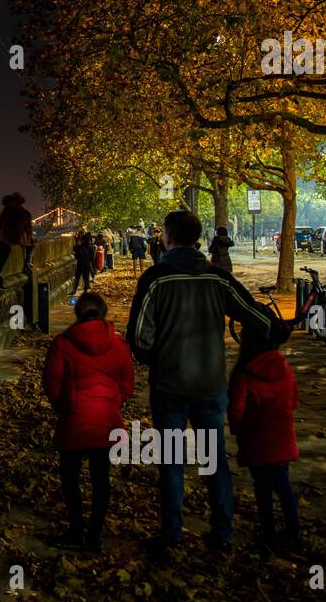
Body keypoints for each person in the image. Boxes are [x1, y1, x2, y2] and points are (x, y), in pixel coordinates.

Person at [126, 210, 283, 559]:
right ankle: (221, 534)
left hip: (170, 385)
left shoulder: (156, 278)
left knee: (170, 460)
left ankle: (171, 534)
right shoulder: (217, 279)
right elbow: (258, 317)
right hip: (210, 383)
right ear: (198, 237)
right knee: (214, 461)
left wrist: (157, 359)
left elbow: (138, 336)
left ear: (167, 236)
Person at [43, 292, 134, 553]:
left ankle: (75, 528)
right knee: (101, 479)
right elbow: (127, 384)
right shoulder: (118, 345)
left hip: (75, 419)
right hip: (107, 421)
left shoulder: (63, 343)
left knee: (70, 478)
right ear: (103, 313)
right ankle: (95, 534)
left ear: (78, 313)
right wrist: (113, 404)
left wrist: (65, 406)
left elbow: (52, 382)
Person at [228, 317, 302, 551]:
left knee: (263, 489)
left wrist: (239, 432)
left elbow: (236, 409)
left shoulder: (244, 372)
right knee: (284, 486)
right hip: (281, 437)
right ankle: (293, 530)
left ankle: (268, 531)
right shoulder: (284, 368)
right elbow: (294, 401)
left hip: (257, 439)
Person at [0, 192, 34, 267]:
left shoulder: (5, 210)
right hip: (17, 238)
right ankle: (28, 263)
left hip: (4, 238)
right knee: (31, 246)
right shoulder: (25, 213)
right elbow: (27, 229)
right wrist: (29, 237)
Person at [70, 229, 92, 295]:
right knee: (86, 278)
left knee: (77, 277)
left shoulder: (79, 247)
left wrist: (76, 241)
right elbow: (92, 257)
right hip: (87, 264)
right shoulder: (90, 248)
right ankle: (85, 291)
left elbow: (75, 253)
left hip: (80, 264)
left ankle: (74, 290)